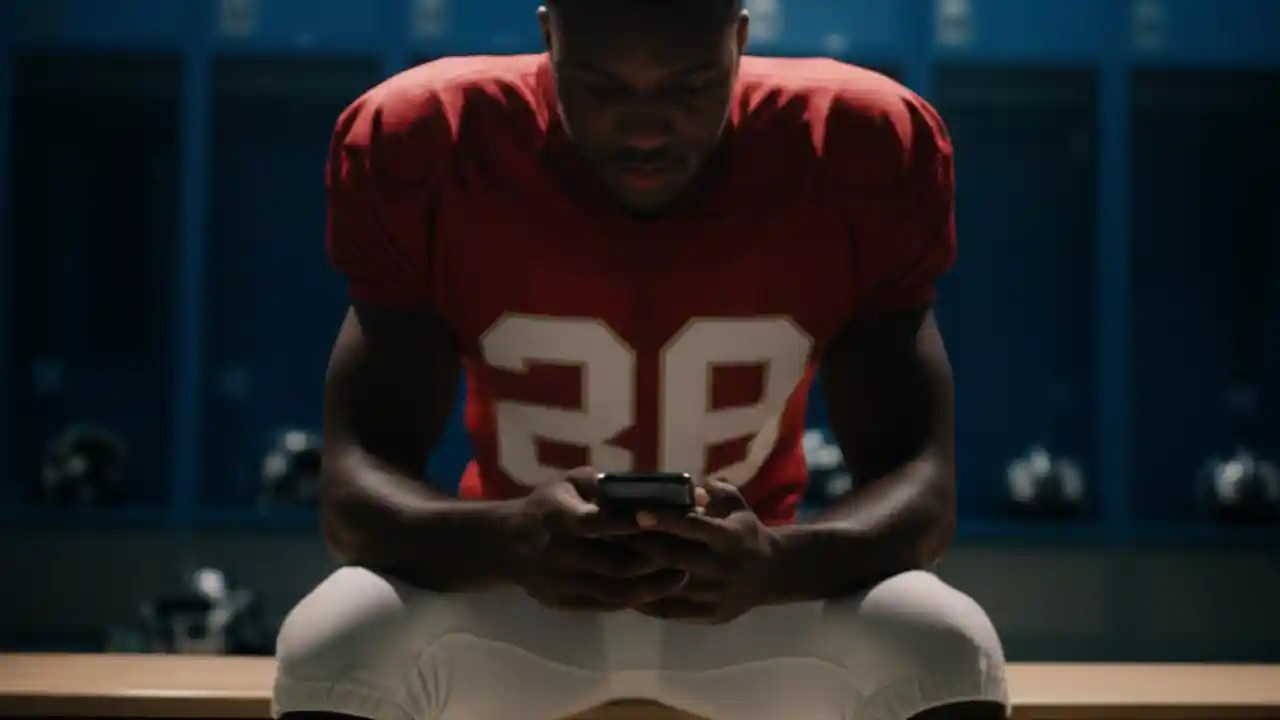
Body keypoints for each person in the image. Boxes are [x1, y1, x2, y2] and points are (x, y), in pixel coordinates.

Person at [272, 0, 1009, 718]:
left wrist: (778, 565)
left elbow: (920, 487)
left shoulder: (854, 143)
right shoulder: (433, 139)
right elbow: (355, 489)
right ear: (547, 35)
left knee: (946, 646)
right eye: (599, 83)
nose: (646, 126)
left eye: (688, 84)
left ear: (739, 42)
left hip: (753, 599)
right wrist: (505, 541)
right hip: (514, 596)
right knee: (335, 641)